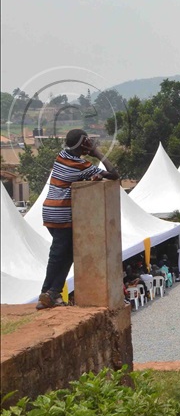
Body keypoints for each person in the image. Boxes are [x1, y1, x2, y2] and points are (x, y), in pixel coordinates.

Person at [38, 130, 119, 309]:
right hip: (62, 212)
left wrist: (93, 175)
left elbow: (77, 177)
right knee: (58, 254)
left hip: (50, 210)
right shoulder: (80, 164)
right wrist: (97, 152)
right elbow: (114, 174)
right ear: (83, 144)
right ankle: (47, 293)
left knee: (66, 254)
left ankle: (53, 292)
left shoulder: (61, 156)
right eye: (88, 141)